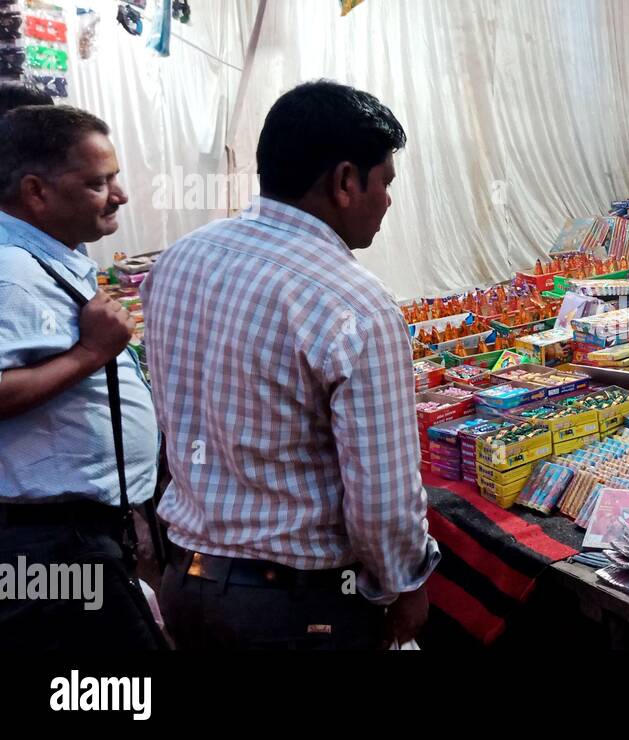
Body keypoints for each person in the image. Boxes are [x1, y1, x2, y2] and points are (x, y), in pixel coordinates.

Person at [144, 80, 439, 650]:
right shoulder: (354, 303)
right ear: (346, 181)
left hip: (189, 583)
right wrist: (407, 586)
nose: (389, 201)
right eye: (386, 183)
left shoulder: (180, 260)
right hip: (300, 610)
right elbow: (382, 503)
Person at [0, 104, 165, 649]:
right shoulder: (12, 271)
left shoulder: (48, 252)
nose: (118, 195)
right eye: (98, 183)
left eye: (114, 177)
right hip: (49, 539)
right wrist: (91, 353)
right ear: (36, 191)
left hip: (76, 531)